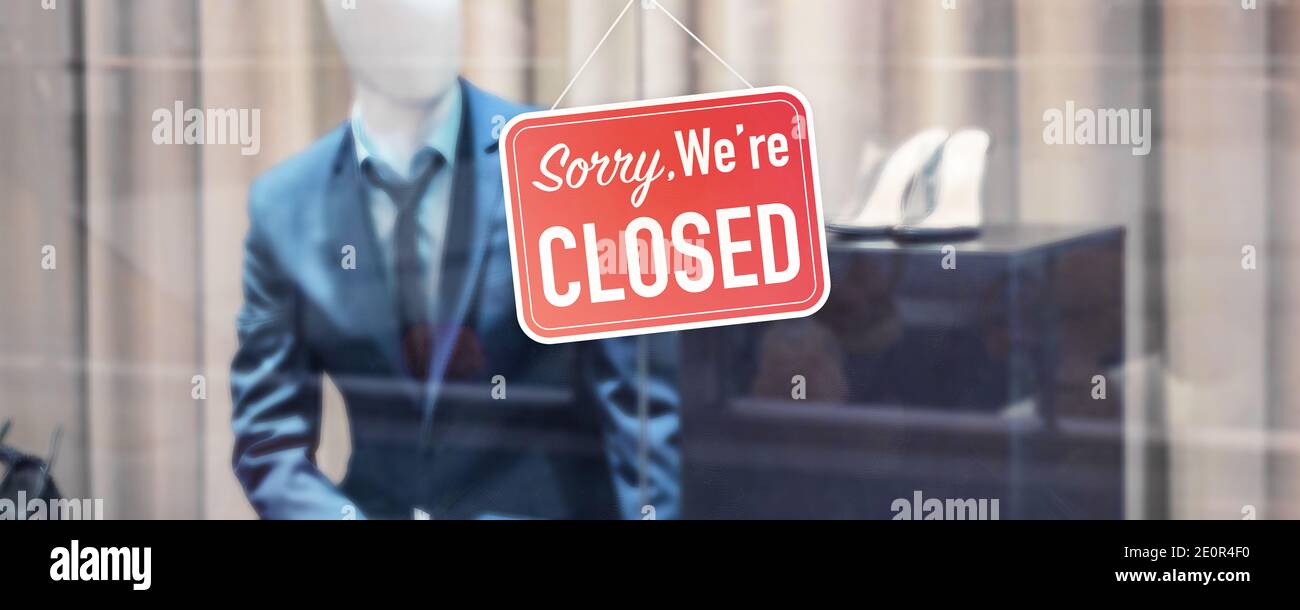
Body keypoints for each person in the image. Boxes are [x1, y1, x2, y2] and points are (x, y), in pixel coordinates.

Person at [230, 0, 679, 519]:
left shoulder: (566, 164)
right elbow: (268, 439)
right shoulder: (285, 207)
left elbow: (641, 418)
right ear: (344, 22)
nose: (429, 14)